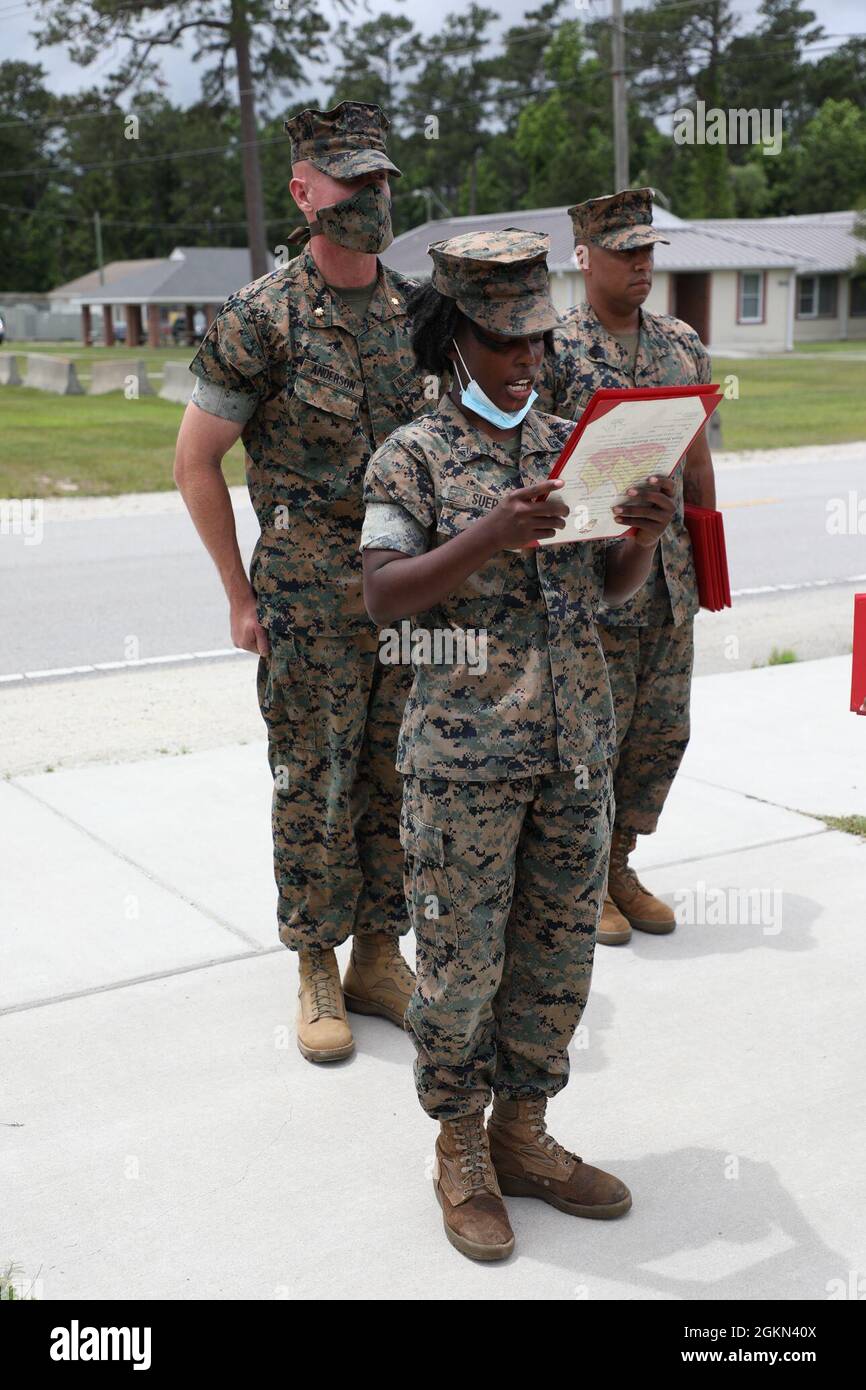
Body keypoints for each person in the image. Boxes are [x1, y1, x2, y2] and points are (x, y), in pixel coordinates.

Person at [360, 228, 677, 1260]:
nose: (526, 360)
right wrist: (483, 535)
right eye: (503, 342)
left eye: (536, 339)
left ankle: (523, 1133)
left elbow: (605, 592)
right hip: (461, 763)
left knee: (551, 960)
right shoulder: (409, 454)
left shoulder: (567, 443)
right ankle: (458, 1149)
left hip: (573, 746)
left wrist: (637, 536)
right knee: (457, 967)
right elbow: (381, 597)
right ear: (453, 337)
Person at [174, 101, 430, 1063]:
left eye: (381, 181)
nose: (370, 198)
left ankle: (379, 954)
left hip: (406, 593)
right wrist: (240, 599)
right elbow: (195, 461)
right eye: (351, 181)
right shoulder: (260, 318)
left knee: (397, 774)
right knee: (314, 784)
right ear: (304, 190)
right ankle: (316, 962)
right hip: (306, 598)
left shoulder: (422, 313)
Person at [537, 188, 717, 946]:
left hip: (669, 577)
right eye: (626, 251)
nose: (641, 263)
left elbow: (698, 456)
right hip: (590, 581)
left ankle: (619, 861)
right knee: (588, 739)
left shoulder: (680, 343)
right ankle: (578, 880)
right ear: (584, 257)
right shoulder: (552, 347)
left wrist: (710, 557)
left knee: (659, 733)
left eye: (649, 251)